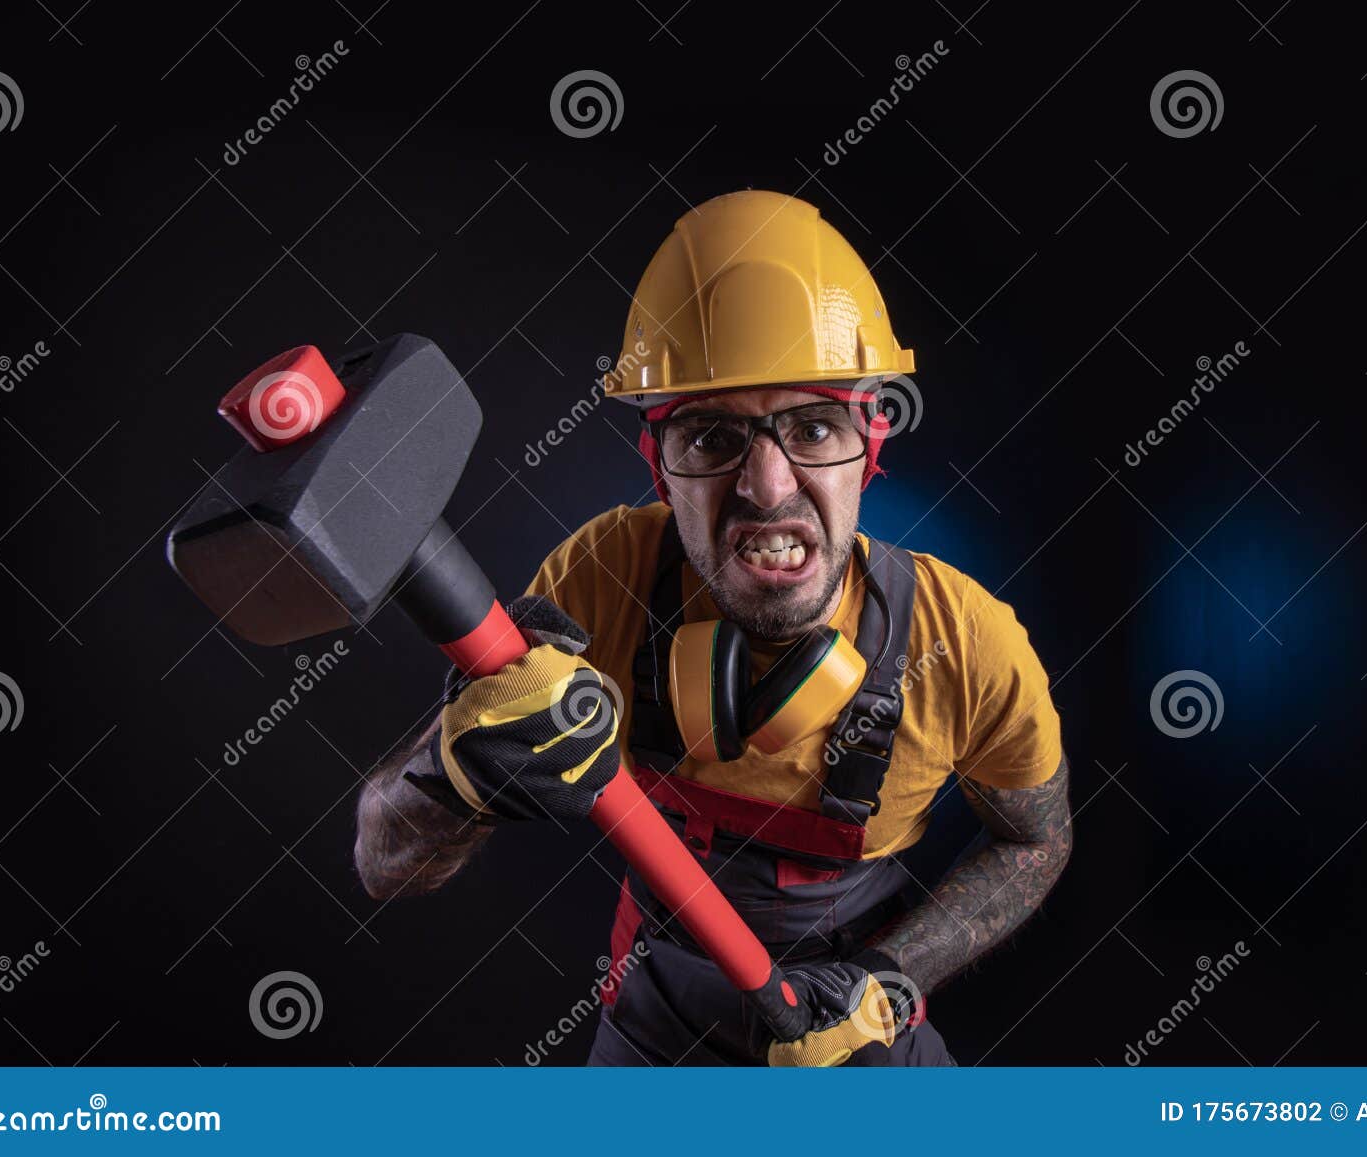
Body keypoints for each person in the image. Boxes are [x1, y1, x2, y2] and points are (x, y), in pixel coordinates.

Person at [354, 189, 1071, 1066]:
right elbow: (380, 859)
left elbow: (1038, 839)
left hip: (863, 1047)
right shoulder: (602, 580)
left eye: (814, 427)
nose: (766, 487)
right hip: (656, 1034)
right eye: (709, 436)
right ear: (658, 464)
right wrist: (451, 781)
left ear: (873, 447)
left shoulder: (962, 643)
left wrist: (890, 982)